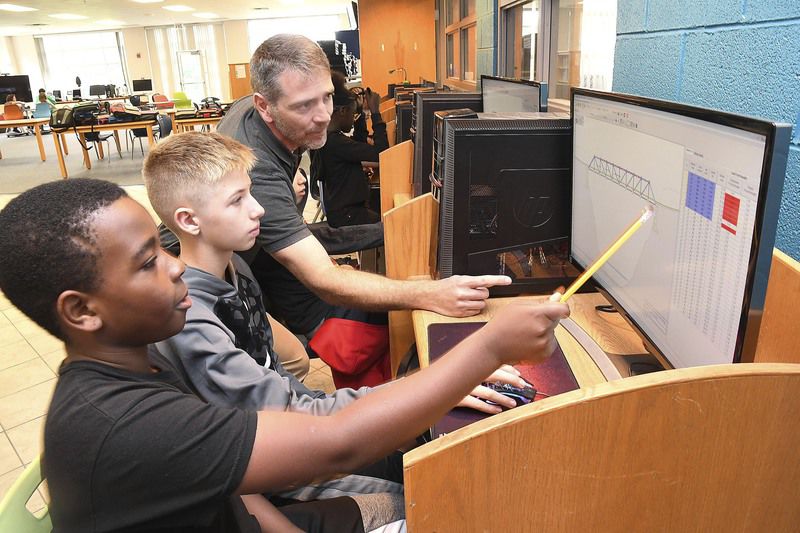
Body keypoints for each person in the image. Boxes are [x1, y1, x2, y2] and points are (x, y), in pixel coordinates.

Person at [0, 178, 568, 532]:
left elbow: (227, 481)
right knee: (457, 503)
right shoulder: (126, 425)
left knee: (433, 483)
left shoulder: (137, 365)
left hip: (255, 518)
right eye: (148, 261)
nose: (176, 266)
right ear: (81, 312)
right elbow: (339, 441)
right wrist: (490, 345)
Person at [217, 33, 511, 388]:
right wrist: (431, 293)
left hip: (247, 263)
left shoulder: (257, 114)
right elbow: (325, 280)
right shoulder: (259, 171)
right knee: (294, 364)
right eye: (304, 106)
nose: (324, 115)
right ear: (264, 105)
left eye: (326, 97)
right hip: (220, 278)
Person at [310, 72, 386, 227]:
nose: (353, 119)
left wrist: (361, 115)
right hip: (347, 215)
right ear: (342, 111)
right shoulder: (336, 143)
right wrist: (375, 113)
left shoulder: (329, 137)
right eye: (352, 114)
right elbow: (381, 153)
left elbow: (360, 143)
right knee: (389, 224)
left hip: (344, 211)